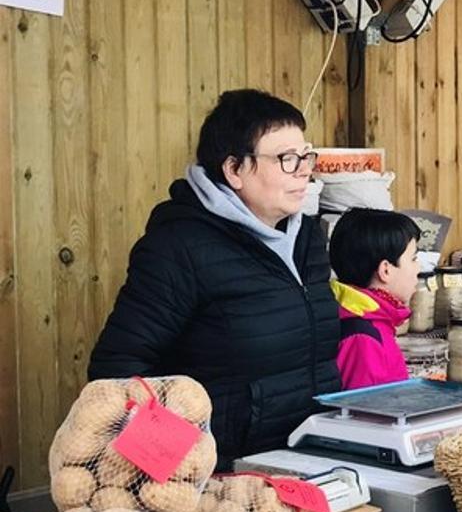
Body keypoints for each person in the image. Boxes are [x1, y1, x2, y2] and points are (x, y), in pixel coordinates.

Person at [88, 89, 340, 466]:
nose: (305, 169)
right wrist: (182, 469)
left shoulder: (306, 238)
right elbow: (116, 375)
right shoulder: (179, 246)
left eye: (306, 155)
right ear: (234, 169)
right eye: (287, 159)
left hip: (307, 462)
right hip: (225, 477)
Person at [328, 208, 421, 390]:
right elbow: (365, 412)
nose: (419, 268)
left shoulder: (375, 319)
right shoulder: (362, 337)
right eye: (413, 259)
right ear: (385, 270)